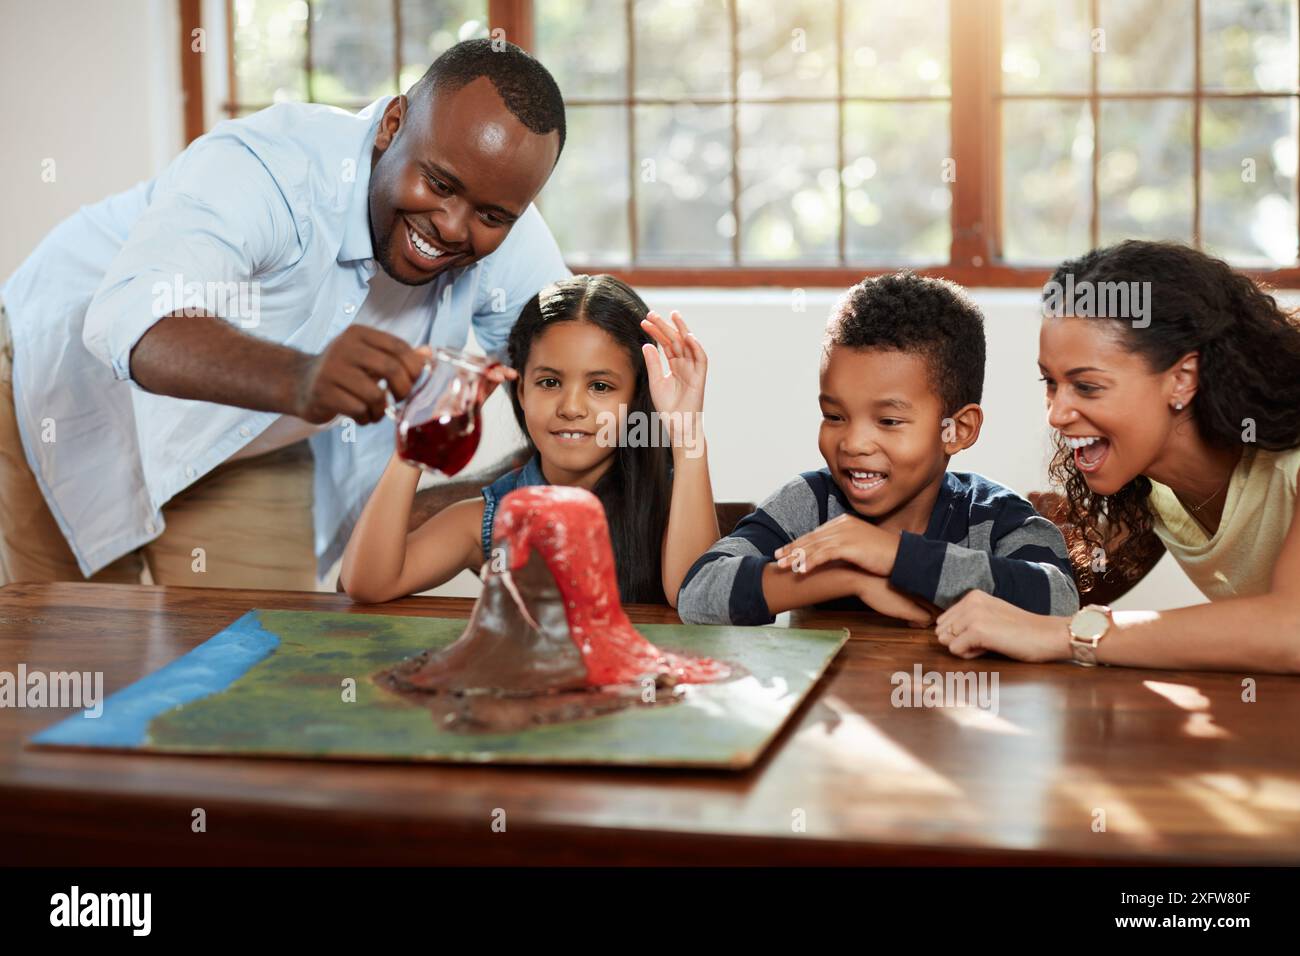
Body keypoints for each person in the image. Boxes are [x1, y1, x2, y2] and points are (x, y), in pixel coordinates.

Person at [0, 39, 567, 590]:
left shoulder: (507, 232)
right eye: (438, 183)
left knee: (254, 655)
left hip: (252, 436)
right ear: (392, 124)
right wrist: (301, 378)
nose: (451, 224)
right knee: (86, 656)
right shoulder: (272, 168)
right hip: (72, 391)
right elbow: (132, 316)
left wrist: (468, 507)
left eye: (491, 215)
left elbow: (584, 375)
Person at [934, 241, 1300, 674]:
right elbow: (1054, 593)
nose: (1056, 414)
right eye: (1050, 382)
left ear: (1182, 378)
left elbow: (1290, 630)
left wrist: (1067, 636)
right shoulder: (1150, 487)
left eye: (1086, 387)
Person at [676, 272, 1079, 626]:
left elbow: (1059, 600)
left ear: (956, 429)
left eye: (888, 421)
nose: (853, 443)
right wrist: (850, 574)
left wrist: (895, 556)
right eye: (834, 416)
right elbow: (697, 592)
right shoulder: (811, 504)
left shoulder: (994, 518)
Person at [340, 274, 719, 606]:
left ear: (638, 397)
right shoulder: (490, 518)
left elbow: (698, 596)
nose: (571, 407)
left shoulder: (672, 506)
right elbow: (367, 584)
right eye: (549, 382)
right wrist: (416, 435)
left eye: (600, 386)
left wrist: (686, 434)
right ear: (520, 391)